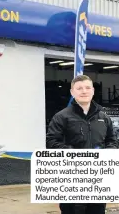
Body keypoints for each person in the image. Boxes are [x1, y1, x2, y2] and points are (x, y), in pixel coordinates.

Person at [46, 75, 118, 214]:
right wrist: (77, 155)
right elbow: (52, 142)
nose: (84, 91)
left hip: (98, 176)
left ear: (93, 91)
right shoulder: (61, 117)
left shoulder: (104, 118)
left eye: (87, 87)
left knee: (97, 210)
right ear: (72, 92)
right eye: (79, 88)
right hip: (72, 176)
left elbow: (112, 140)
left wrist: (109, 152)